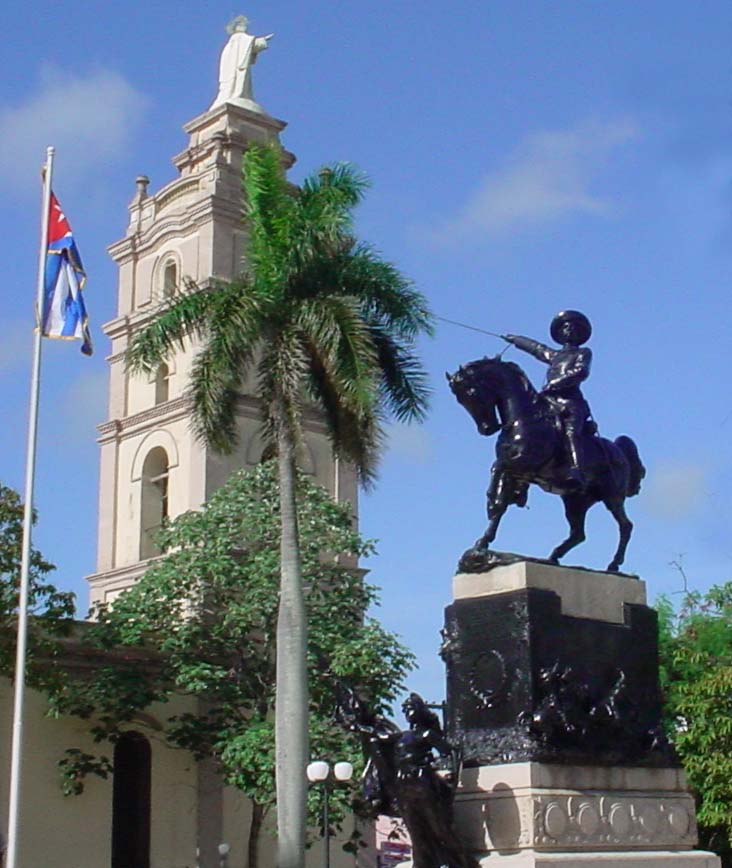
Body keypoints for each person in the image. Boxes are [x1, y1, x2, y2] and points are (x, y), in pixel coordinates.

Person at [503, 310, 594, 488]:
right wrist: (516, 340)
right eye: (565, 327)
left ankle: (577, 469)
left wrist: (556, 383)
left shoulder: (583, 352)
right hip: (550, 401)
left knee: (571, 432)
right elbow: (537, 348)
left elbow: (581, 371)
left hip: (570, 402)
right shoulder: (555, 356)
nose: (569, 330)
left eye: (573, 327)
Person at [210, 16, 274, 110]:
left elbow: (249, 45)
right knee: (234, 82)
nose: (244, 26)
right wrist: (262, 40)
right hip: (236, 68)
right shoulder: (239, 37)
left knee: (236, 83)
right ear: (236, 27)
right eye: (241, 24)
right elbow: (251, 44)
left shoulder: (233, 42)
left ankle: (235, 95)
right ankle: (234, 95)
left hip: (235, 67)